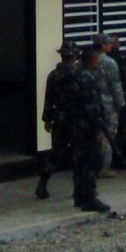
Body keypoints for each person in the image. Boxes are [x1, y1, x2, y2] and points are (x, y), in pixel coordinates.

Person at [35, 42, 81, 200]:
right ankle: (77, 189)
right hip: (76, 119)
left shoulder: (53, 75)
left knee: (55, 154)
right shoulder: (79, 74)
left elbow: (49, 99)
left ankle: (42, 183)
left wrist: (47, 120)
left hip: (60, 118)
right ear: (74, 55)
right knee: (78, 154)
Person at [69, 47, 112, 213]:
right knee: (91, 162)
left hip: (77, 126)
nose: (99, 62)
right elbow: (91, 107)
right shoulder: (88, 78)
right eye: (97, 59)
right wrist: (98, 129)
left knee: (80, 162)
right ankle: (89, 197)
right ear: (92, 60)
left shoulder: (77, 74)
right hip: (86, 128)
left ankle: (79, 196)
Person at [95, 34, 126, 171]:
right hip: (108, 104)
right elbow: (116, 86)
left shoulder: (84, 61)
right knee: (109, 135)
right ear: (102, 45)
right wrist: (121, 104)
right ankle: (104, 167)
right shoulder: (109, 62)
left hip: (91, 105)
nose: (111, 45)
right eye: (108, 43)